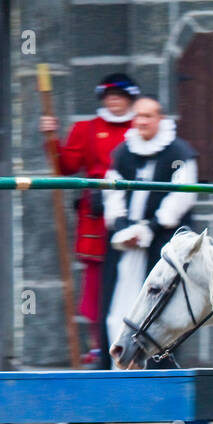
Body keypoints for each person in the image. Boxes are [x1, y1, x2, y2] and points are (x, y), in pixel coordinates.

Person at [39, 72, 139, 367]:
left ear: (130, 99)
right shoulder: (86, 129)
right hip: (95, 219)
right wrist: (52, 139)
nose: (114, 102)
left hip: (132, 217)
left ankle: (132, 346)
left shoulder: (139, 128)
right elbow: (66, 165)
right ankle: (99, 346)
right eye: (110, 97)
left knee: (134, 279)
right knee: (96, 286)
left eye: (119, 97)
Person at [103, 95, 198, 364]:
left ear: (160, 119)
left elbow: (182, 195)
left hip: (162, 242)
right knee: (116, 308)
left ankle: (158, 366)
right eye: (138, 116)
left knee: (160, 310)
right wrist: (123, 226)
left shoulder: (179, 152)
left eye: (148, 116)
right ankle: (117, 364)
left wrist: (151, 228)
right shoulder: (123, 152)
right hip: (126, 244)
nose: (142, 121)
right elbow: (113, 192)